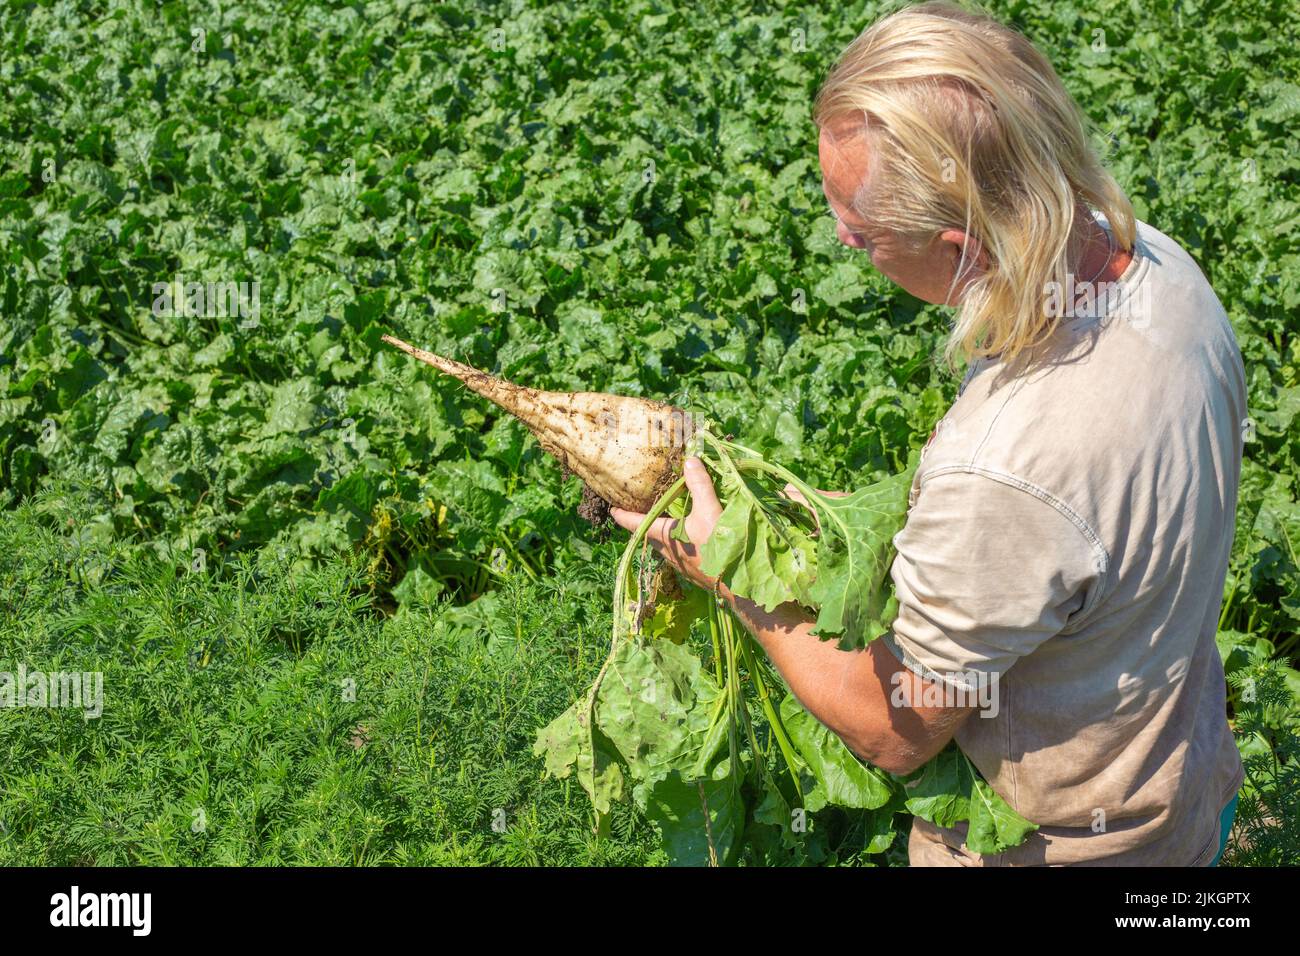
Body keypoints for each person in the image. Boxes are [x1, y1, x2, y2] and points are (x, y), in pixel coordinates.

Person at [610, 1, 1245, 866]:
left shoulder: (1009, 464)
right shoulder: (1159, 268)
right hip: (1182, 797)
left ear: (966, 252)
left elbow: (895, 726)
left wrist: (733, 577)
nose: (840, 238)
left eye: (861, 233)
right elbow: (1052, 550)